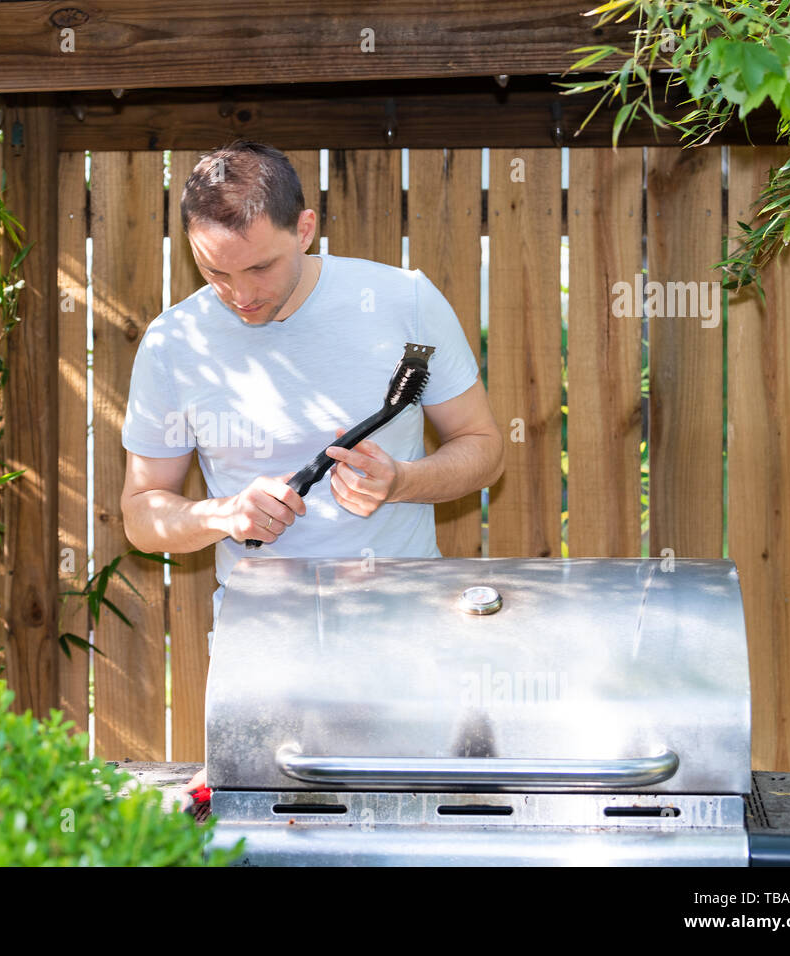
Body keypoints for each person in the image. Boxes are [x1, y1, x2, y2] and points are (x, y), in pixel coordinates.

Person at [118, 140, 504, 811]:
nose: (240, 295)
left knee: (417, 835)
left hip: (408, 636)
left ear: (305, 228)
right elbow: (141, 515)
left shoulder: (402, 301)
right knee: (273, 839)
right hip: (262, 653)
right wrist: (221, 515)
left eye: (260, 268)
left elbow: (484, 449)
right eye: (215, 272)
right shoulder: (173, 343)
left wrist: (404, 481)